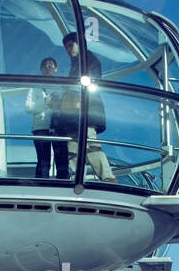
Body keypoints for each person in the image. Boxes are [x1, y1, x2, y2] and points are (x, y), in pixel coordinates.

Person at [59, 32, 115, 185]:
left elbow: (91, 83)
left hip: (85, 112)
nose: (69, 49)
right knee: (73, 147)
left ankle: (108, 178)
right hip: (74, 114)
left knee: (91, 145)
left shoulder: (89, 61)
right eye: (66, 47)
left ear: (80, 44)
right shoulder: (77, 63)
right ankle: (79, 179)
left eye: (71, 45)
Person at [24, 57, 67, 178]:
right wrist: (45, 102)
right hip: (40, 128)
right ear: (41, 70)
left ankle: (64, 188)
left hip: (59, 126)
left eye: (51, 65)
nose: (48, 67)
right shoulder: (34, 87)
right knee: (43, 161)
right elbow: (28, 107)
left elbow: (68, 105)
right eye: (45, 65)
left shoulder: (63, 86)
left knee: (62, 160)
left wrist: (58, 104)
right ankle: (41, 187)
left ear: (56, 69)